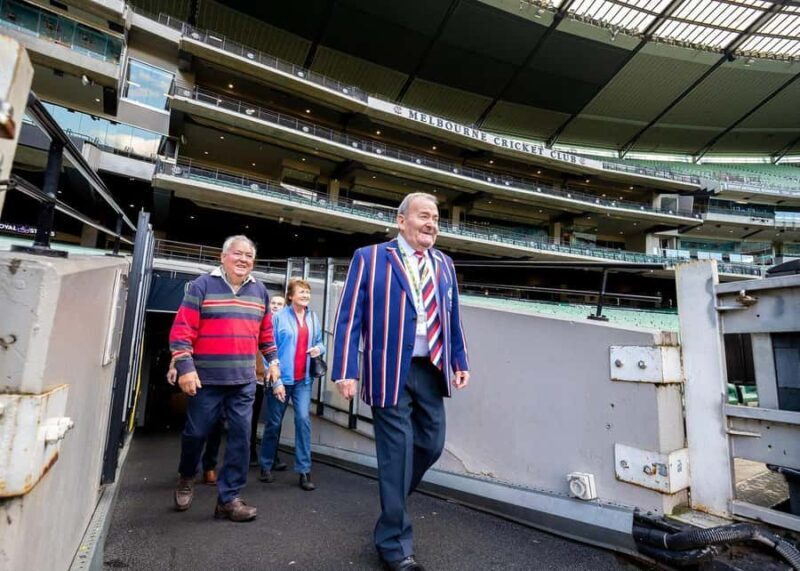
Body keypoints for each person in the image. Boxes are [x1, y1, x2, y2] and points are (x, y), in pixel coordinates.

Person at [332, 192, 470, 571]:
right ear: (401, 220)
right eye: (424, 216)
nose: (431, 224)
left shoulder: (445, 264)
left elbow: (452, 317)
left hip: (431, 368)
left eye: (437, 219)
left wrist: (460, 359)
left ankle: (393, 500)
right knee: (396, 454)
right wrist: (345, 368)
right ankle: (394, 544)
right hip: (388, 369)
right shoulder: (370, 257)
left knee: (431, 443)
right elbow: (348, 316)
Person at [170, 235, 280, 522]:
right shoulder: (201, 285)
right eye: (238, 254)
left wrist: (274, 362)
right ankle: (186, 475)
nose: (244, 260)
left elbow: (266, 333)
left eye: (249, 256)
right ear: (223, 257)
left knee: (242, 438)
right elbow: (182, 331)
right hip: (205, 379)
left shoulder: (260, 292)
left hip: (243, 381)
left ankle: (228, 499)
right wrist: (185, 367)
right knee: (195, 434)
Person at [259, 279, 325, 491]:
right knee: (274, 424)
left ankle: (304, 471)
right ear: (290, 296)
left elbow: (321, 342)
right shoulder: (277, 318)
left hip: (303, 380)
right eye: (301, 292)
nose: (306, 295)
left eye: (308, 292)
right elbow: (268, 349)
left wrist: (319, 349)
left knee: (303, 421)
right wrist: (275, 380)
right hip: (281, 380)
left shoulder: (313, 317)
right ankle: (266, 465)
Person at [167, 360, 223, 485]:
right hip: (199, 377)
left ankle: (209, 466)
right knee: (196, 430)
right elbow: (183, 343)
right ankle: (188, 471)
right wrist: (174, 366)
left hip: (224, 378)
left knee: (216, 425)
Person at [249, 295, 288, 469]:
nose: (275, 306)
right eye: (273, 303)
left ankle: (272, 455)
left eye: (280, 304)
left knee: (275, 419)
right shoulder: (260, 323)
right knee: (251, 417)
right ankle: (250, 453)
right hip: (257, 377)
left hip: (277, 378)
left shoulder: (286, 325)